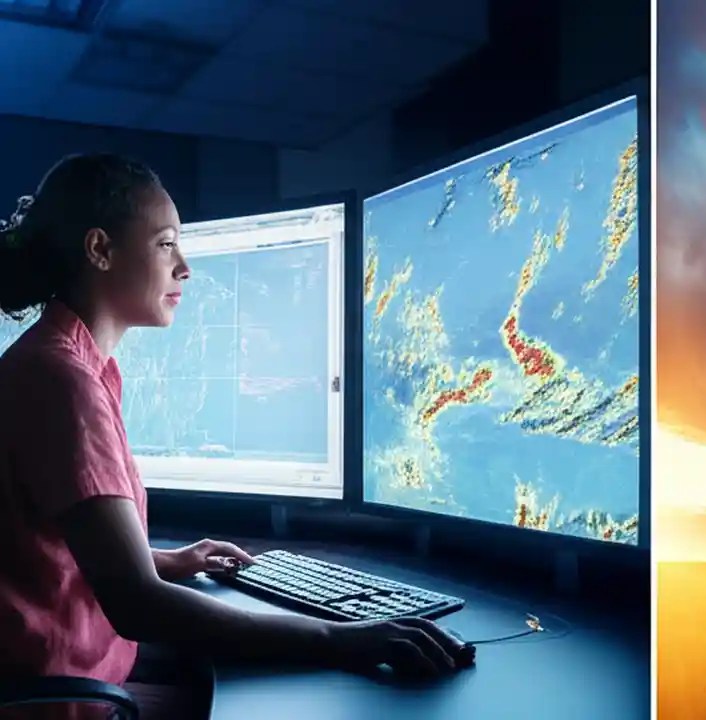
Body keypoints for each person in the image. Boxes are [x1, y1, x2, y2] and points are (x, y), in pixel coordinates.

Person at [0, 154, 462, 719]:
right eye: (167, 244)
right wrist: (339, 637)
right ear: (100, 251)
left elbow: (68, 551)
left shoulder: (61, 365)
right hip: (59, 701)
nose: (184, 267)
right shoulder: (62, 382)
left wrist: (173, 559)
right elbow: (137, 606)